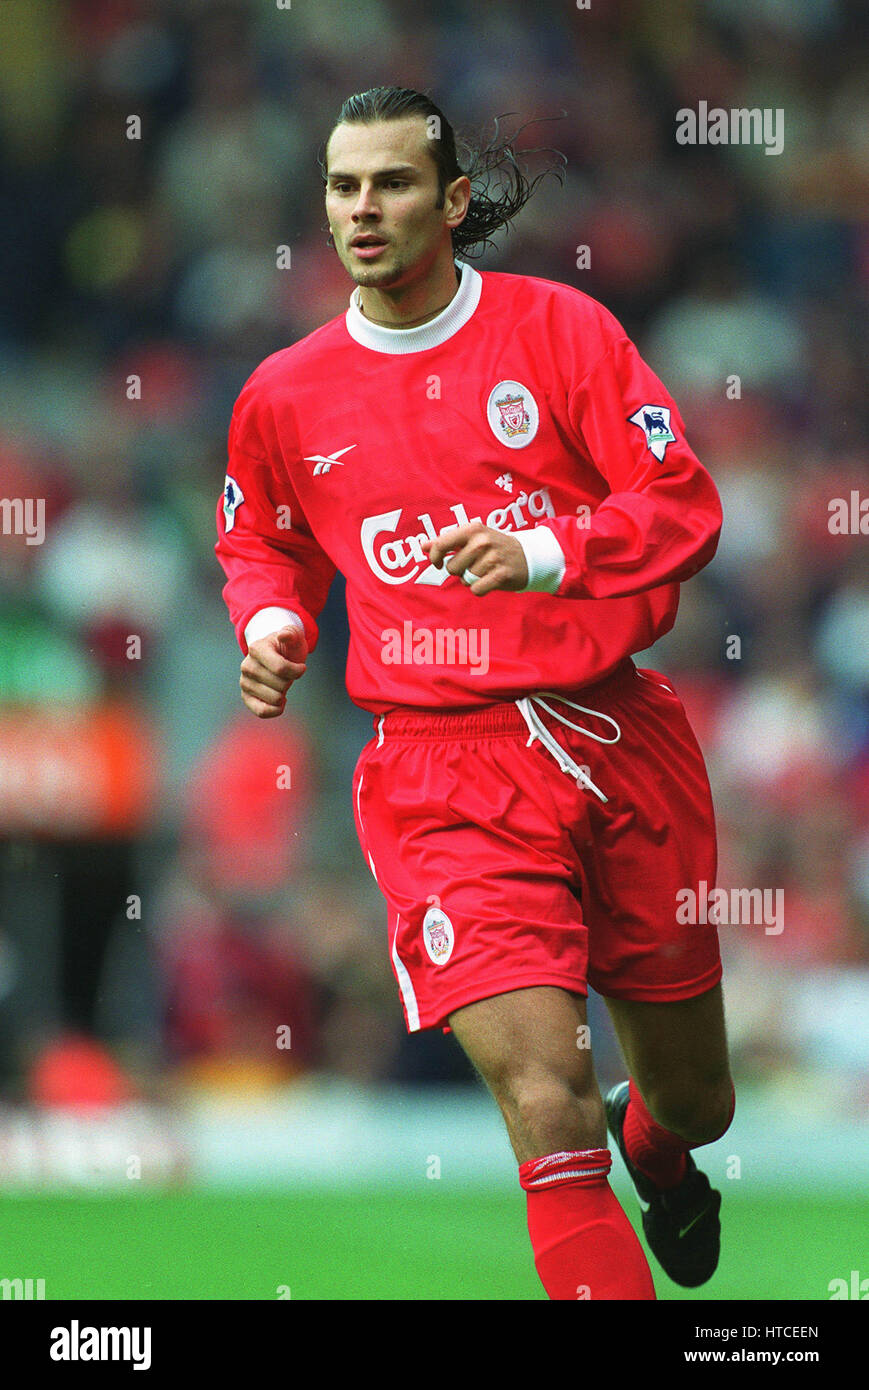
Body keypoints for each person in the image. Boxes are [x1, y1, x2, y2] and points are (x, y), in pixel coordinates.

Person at [215, 85, 735, 1301]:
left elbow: (682, 504)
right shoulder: (283, 393)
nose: (362, 208)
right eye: (343, 186)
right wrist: (275, 621)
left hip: (614, 734)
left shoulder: (561, 332)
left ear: (449, 200)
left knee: (697, 1099)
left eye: (391, 182)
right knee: (544, 1104)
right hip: (442, 770)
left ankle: (653, 1137)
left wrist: (546, 553)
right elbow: (264, 540)